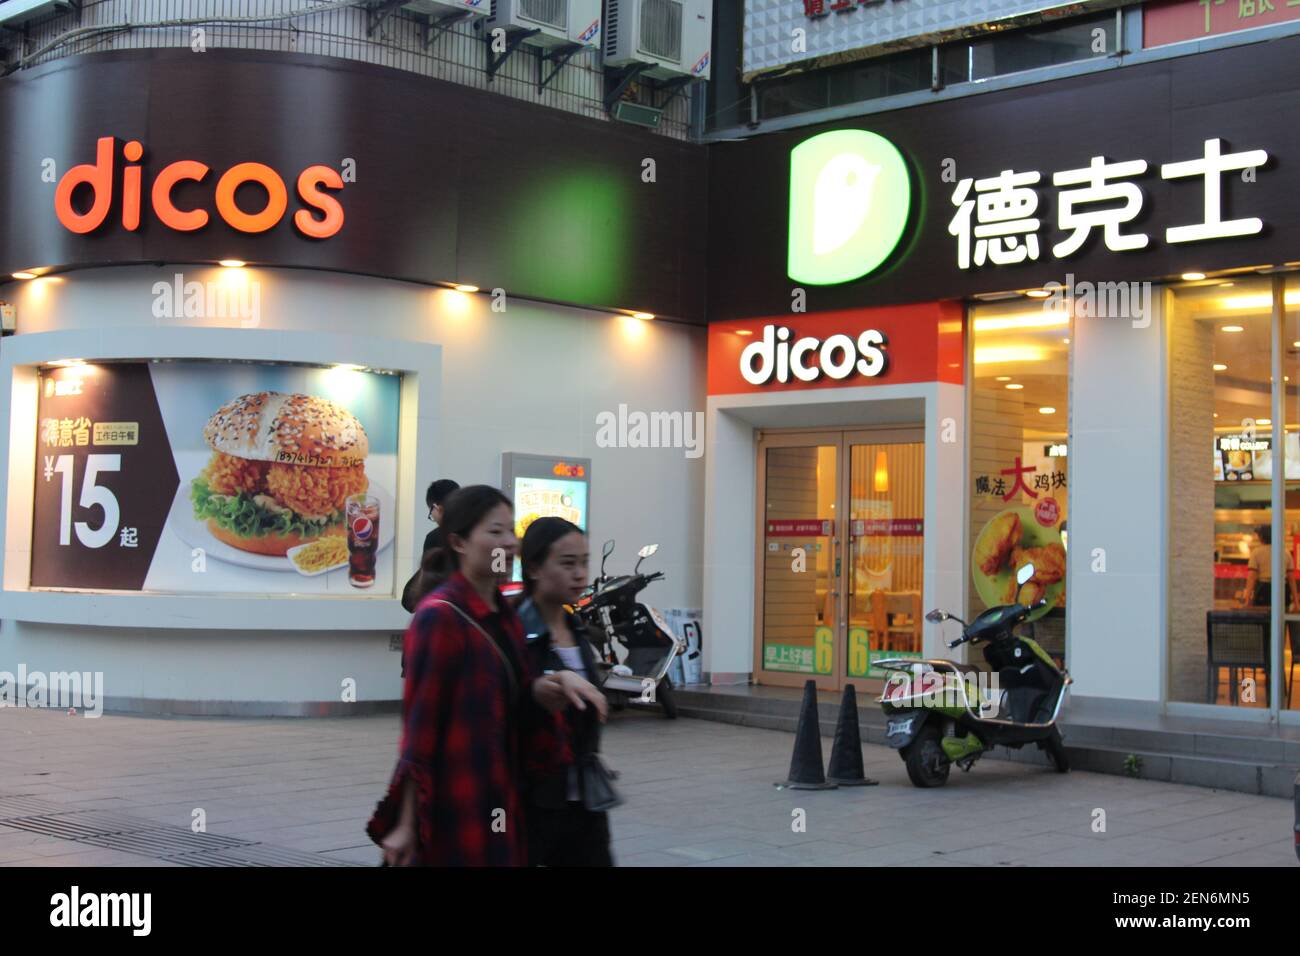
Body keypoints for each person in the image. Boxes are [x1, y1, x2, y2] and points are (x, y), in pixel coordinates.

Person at [367, 485, 606, 866]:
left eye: (511, 532)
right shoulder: (438, 617)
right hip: (453, 802)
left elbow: (515, 699)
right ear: (459, 542)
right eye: (495, 532)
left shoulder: (505, 615)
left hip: (501, 796)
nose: (509, 544)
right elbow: (420, 728)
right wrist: (407, 823)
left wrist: (550, 685)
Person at [516, 517, 616, 867]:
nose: (579, 574)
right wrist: (537, 691)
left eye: (584, 562)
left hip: (584, 801)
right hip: (530, 802)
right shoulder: (512, 630)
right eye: (567, 563)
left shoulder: (577, 629)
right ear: (533, 568)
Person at [401, 478, 459, 614]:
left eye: (430, 513)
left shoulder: (435, 537)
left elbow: (426, 587)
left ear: (436, 508)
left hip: (446, 614)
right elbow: (500, 568)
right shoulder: (479, 530)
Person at [1241, 524, 1298, 611]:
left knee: (1263, 619)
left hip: (1263, 589)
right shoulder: (1285, 552)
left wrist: (1247, 599)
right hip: (1282, 589)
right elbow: (1291, 580)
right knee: (1280, 617)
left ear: (1262, 537)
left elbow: (1251, 578)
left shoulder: (1256, 553)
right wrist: (1296, 602)